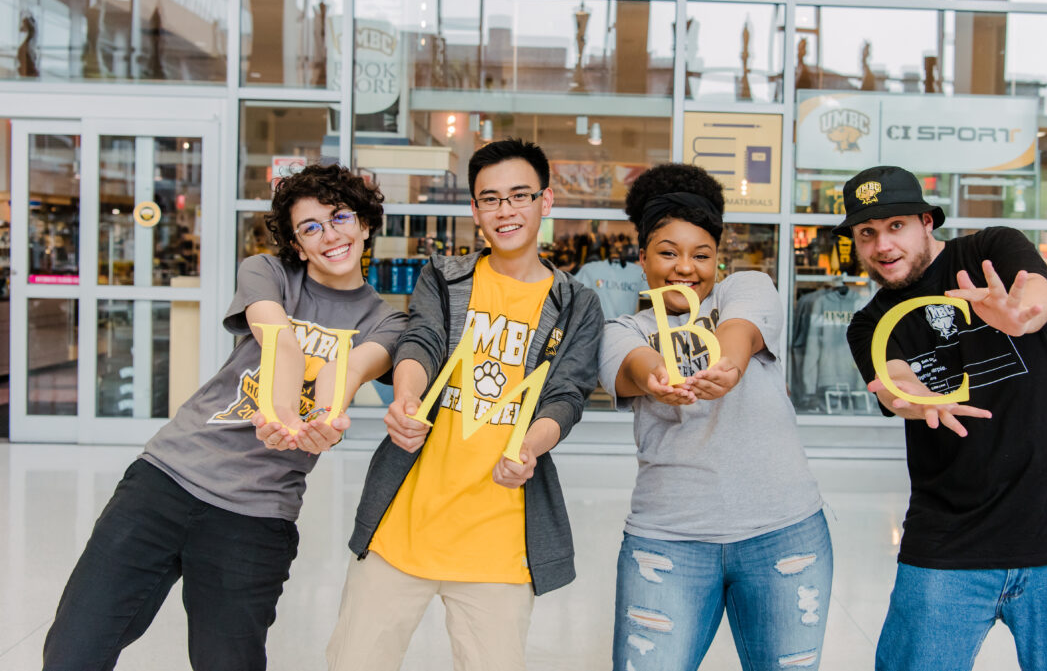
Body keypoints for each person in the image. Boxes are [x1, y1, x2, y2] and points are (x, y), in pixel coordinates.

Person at [43, 163, 407, 671]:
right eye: (311, 228)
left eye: (341, 217)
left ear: (365, 224)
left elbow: (346, 374)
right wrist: (281, 417)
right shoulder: (268, 273)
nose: (330, 235)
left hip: (256, 515)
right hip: (166, 479)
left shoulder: (388, 322)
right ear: (297, 245)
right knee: (74, 648)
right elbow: (281, 343)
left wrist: (322, 422)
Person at [327, 139, 604, 671]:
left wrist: (529, 446)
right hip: (403, 525)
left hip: (499, 542)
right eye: (490, 199)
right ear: (475, 210)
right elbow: (422, 341)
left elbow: (566, 395)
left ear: (545, 202)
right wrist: (407, 396)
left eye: (519, 196)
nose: (506, 211)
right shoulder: (444, 277)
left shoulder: (576, 302)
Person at [840, 165, 1047, 671]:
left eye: (895, 225)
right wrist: (916, 399)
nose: (882, 245)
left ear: (927, 222)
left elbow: (1037, 291)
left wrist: (1022, 315)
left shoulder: (990, 248)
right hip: (948, 539)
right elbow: (896, 382)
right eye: (867, 233)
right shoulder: (869, 324)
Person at [599, 163, 832, 671]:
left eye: (701, 255)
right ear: (642, 259)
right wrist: (658, 377)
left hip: (784, 531)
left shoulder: (746, 288)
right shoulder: (623, 329)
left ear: (717, 262)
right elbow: (634, 370)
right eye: (667, 253)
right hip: (668, 540)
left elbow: (739, 335)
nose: (685, 267)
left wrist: (725, 368)